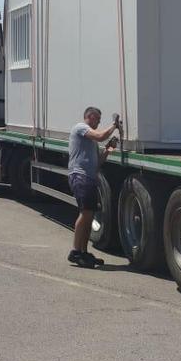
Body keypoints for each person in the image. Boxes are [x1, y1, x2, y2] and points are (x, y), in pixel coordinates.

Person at [67, 106, 120, 268]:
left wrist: (110, 148)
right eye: (97, 119)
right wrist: (114, 125)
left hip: (89, 178)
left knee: (89, 216)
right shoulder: (80, 128)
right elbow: (100, 135)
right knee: (85, 213)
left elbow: (98, 162)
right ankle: (75, 252)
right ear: (89, 116)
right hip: (80, 176)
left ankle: (84, 252)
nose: (98, 122)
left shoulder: (91, 142)